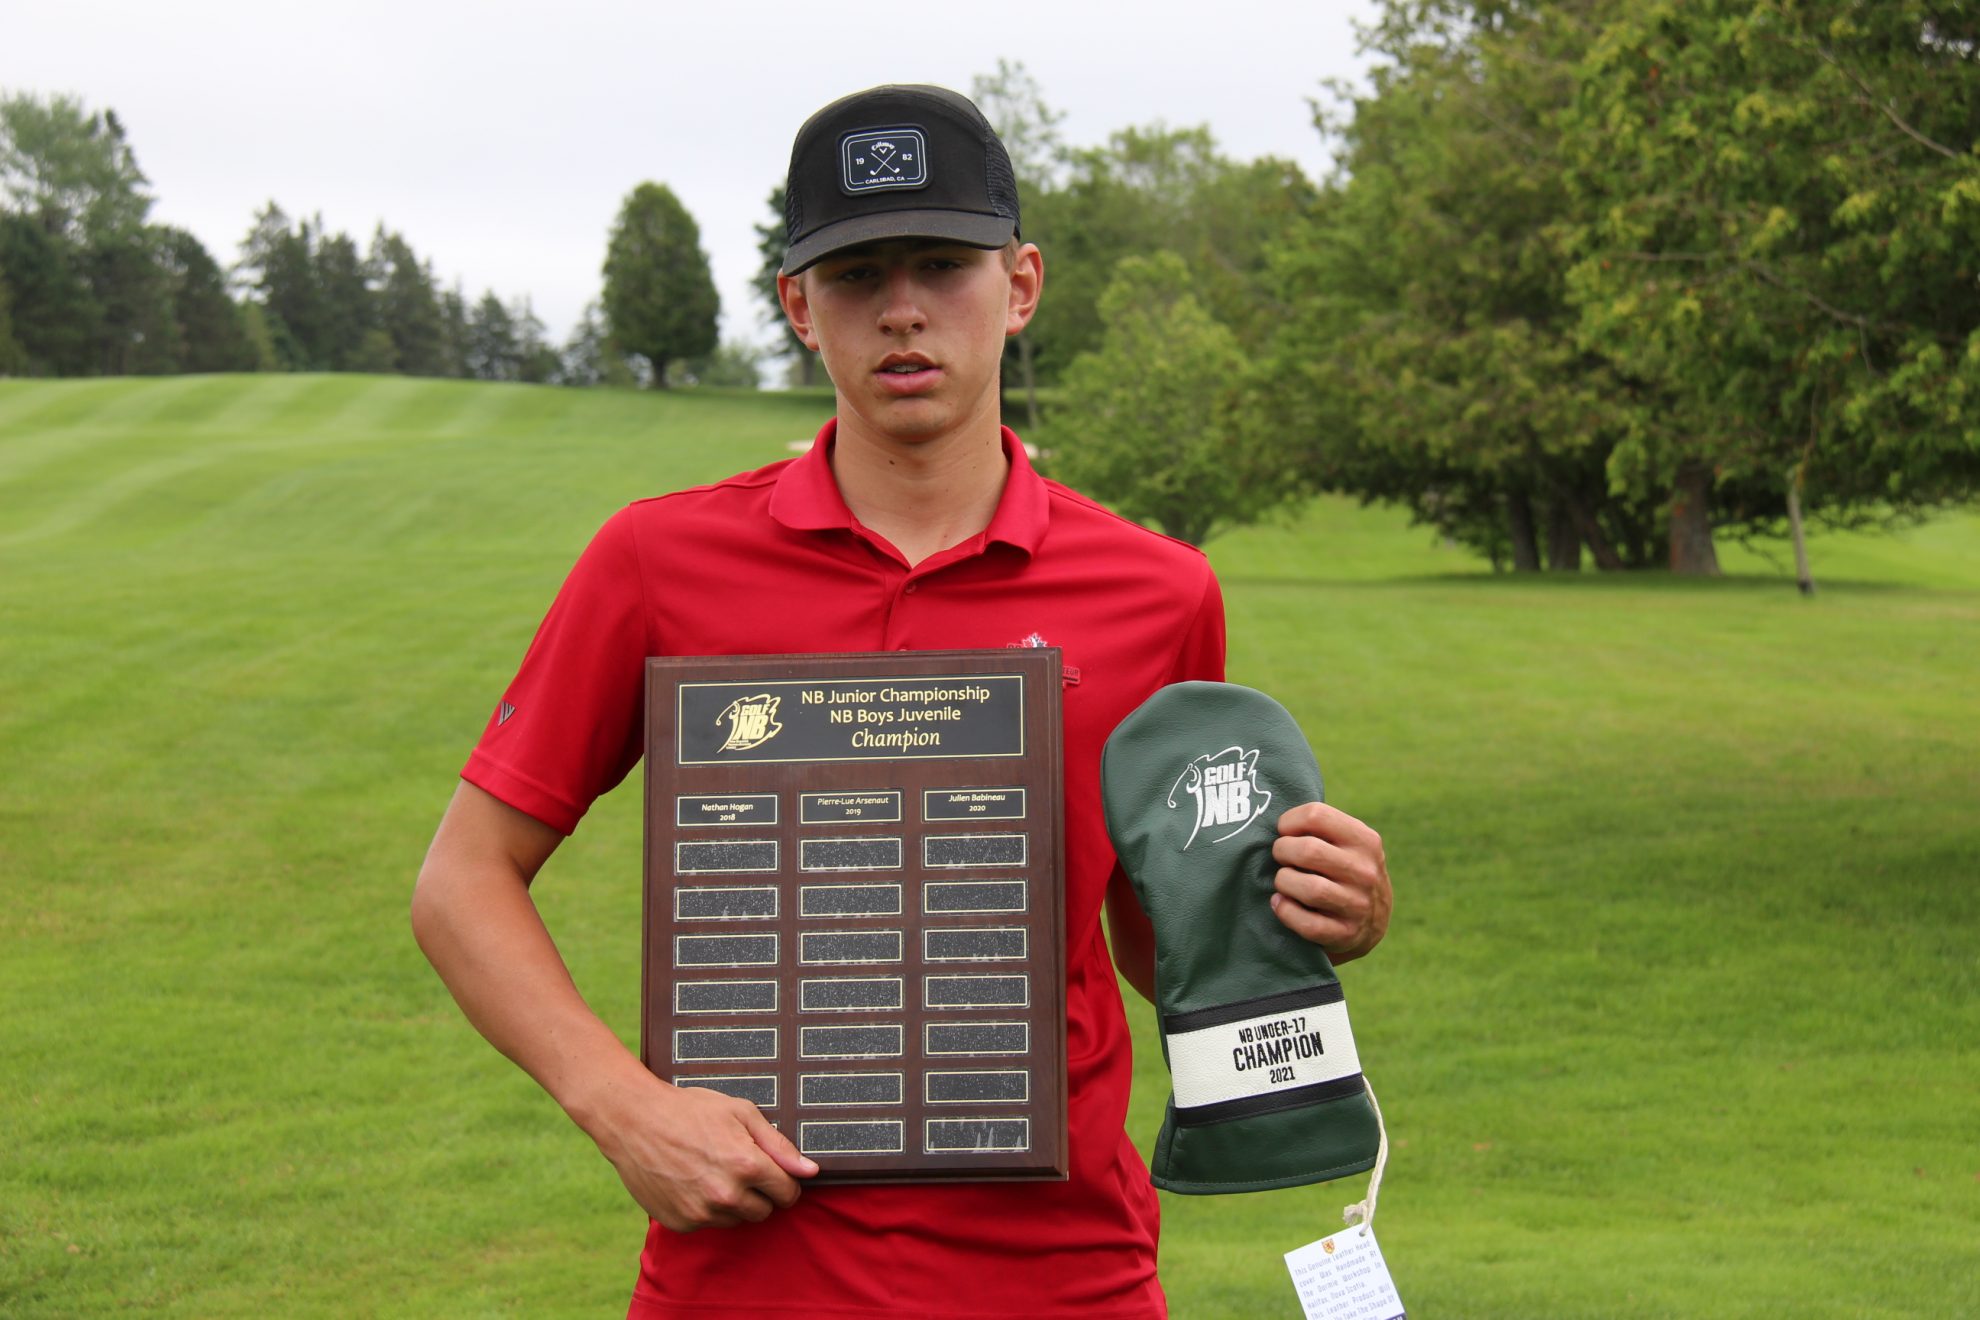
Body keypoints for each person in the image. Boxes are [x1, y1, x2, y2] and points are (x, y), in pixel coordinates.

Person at [411, 83, 1392, 1319]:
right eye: (857, 275)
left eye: (942, 265)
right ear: (798, 308)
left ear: (1021, 285)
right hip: (744, 1279)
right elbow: (462, 882)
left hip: (1063, 1277)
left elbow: (1157, 939)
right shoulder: (655, 563)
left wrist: (1308, 910)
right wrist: (624, 1108)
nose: (903, 310)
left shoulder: (1159, 591)